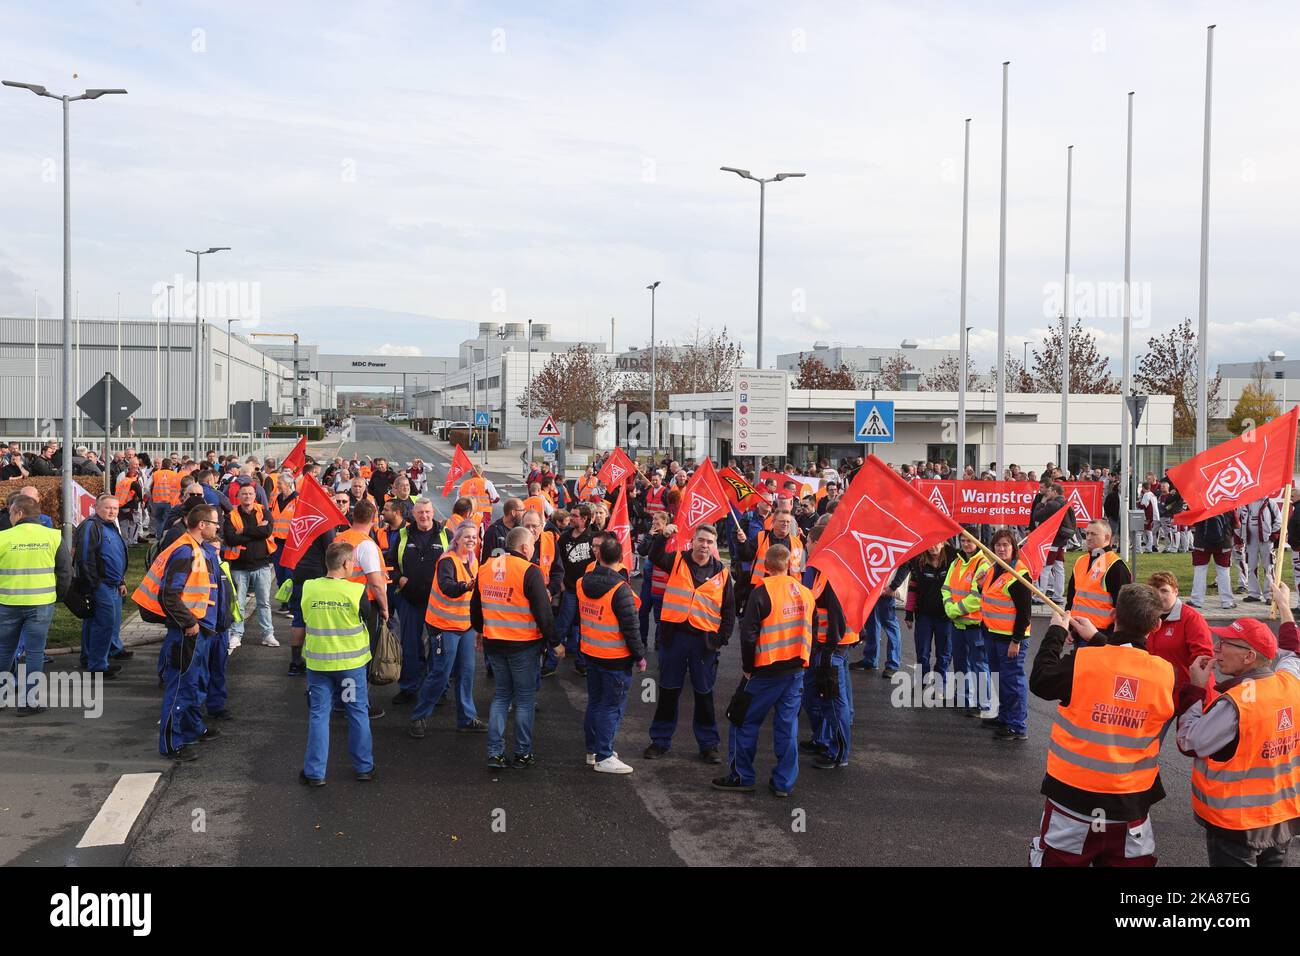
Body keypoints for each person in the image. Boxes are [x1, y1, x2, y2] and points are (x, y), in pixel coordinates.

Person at [1028, 585, 1175, 866]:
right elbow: (1125, 662)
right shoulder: (1163, 673)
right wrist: (1098, 638)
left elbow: (1041, 680)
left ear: (1112, 613)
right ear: (1156, 625)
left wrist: (1056, 632)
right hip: (1130, 805)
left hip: (1073, 801)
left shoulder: (1083, 662)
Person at [1178, 582, 1300, 867]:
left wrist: (1196, 689)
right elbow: (1293, 649)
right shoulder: (1290, 682)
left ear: (1249, 657)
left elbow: (1189, 741)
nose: (1216, 648)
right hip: (1282, 816)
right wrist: (1283, 605)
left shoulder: (1236, 703)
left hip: (1236, 823)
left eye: (1225, 644)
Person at [714, 545, 813, 797]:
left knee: (743, 720)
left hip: (765, 671)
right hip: (795, 670)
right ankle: (783, 783)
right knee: (787, 727)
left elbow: (748, 636)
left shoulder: (761, 593)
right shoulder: (805, 593)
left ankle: (742, 775)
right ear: (789, 564)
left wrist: (748, 669)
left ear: (766, 567)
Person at [133, 505, 227, 761]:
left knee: (192, 684)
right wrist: (188, 622)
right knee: (180, 688)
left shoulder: (195, 549)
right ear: (201, 525)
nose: (218, 527)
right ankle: (171, 743)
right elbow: (169, 595)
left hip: (199, 630)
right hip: (189, 631)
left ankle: (193, 728)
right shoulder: (186, 552)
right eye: (214, 523)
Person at [471, 526, 561, 770]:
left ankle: (495, 754)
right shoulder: (530, 572)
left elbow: (475, 610)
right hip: (523, 645)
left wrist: (482, 630)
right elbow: (544, 613)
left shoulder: (486, 568)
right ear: (524, 547)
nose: (533, 550)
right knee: (524, 700)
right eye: (532, 545)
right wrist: (555, 642)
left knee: (501, 696)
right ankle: (522, 752)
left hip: (495, 643)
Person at [644, 523, 734, 764]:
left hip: (704, 644)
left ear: (714, 545)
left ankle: (708, 745)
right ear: (692, 541)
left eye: (709, 542)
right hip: (675, 638)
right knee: (668, 691)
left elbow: (728, 611)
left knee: (704, 695)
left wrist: (720, 640)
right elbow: (654, 555)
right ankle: (660, 740)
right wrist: (663, 536)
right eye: (701, 540)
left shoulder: (722, 573)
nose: (704, 545)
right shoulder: (677, 561)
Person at [300, 540, 376, 786]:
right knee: (356, 713)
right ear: (345, 563)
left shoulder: (310, 588)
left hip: (319, 665)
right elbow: (370, 622)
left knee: (319, 715)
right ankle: (364, 767)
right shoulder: (356, 590)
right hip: (350, 667)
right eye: (352, 561)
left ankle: (315, 773)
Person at [577, 536, 647, 773]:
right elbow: (631, 627)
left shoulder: (582, 582)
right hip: (615, 657)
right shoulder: (621, 588)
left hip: (591, 652)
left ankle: (593, 750)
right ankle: (604, 755)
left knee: (596, 703)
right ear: (620, 559)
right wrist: (640, 656)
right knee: (611, 706)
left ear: (598, 556)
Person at [411, 520, 484, 736]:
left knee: (467, 672)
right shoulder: (447, 560)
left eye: (474, 537)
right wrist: (465, 586)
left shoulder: (473, 559)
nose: (471, 540)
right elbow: (447, 587)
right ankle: (419, 716)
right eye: (467, 537)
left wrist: (479, 626)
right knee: (441, 673)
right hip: (444, 625)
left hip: (465, 625)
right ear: (457, 539)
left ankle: (466, 718)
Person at [0, 495, 70, 715]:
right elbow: (66, 572)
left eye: (11, 513)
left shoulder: (3, 537)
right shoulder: (53, 536)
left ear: (19, 513)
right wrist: (59, 595)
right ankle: (29, 703)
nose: (10, 517)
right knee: (34, 652)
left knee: (4, 650)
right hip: (41, 603)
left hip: (8, 601)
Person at [800, 525, 855, 769]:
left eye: (808, 541)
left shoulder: (831, 570)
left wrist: (829, 644)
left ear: (815, 542)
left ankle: (839, 752)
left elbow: (836, 612)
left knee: (833, 700)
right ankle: (824, 741)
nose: (806, 545)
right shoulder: (826, 568)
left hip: (830, 646)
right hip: (825, 645)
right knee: (818, 696)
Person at [286, 491, 352, 677]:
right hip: (318, 576)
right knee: (321, 619)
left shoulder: (300, 519)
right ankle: (320, 658)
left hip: (299, 573)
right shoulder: (325, 523)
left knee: (299, 619)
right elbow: (331, 550)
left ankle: (295, 662)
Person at [337, 499, 390, 718]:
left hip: (340, 603)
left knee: (343, 654)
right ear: (374, 518)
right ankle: (359, 703)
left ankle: (342, 699)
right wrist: (385, 609)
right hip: (362, 605)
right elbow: (376, 583)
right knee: (361, 656)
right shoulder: (366, 544)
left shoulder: (339, 538)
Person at [981, 529, 1033, 739]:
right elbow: (991, 600)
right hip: (992, 635)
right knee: (999, 679)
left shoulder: (1019, 574)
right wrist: (978, 585)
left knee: (1013, 682)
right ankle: (1004, 717)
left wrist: (1016, 640)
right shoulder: (994, 569)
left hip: (1010, 640)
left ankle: (1017, 726)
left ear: (1014, 548)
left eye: (1006, 545)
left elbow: (1025, 613)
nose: (1001, 549)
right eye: (998, 545)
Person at [391, 499, 445, 706]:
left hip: (437, 603)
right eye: (420, 512)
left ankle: (437, 688)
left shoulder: (445, 535)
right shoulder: (403, 535)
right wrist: (399, 578)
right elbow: (390, 563)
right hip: (409, 601)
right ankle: (408, 687)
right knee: (411, 646)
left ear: (433, 512)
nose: (424, 516)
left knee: (438, 647)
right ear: (413, 514)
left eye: (428, 512)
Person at [1145, 570, 1214, 716]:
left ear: (1176, 591)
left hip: (1188, 692)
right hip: (1159, 693)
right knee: (1150, 737)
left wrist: (1195, 689)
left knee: (1188, 738)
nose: (1158, 595)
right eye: (1154, 590)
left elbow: (1204, 657)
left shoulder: (1191, 618)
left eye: (1164, 590)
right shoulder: (1146, 616)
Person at [76, 494, 129, 678]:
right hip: (100, 585)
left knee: (98, 623)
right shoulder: (92, 526)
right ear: (97, 508)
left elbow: (114, 556)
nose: (112, 511)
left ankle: (91, 658)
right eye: (108, 508)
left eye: (115, 508)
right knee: (103, 624)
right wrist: (93, 585)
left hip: (112, 584)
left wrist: (121, 581)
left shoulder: (110, 526)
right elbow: (84, 558)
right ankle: (98, 665)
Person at [222, 483, 279, 653]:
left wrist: (244, 531)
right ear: (238, 496)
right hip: (239, 566)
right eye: (244, 494)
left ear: (255, 495)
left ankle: (268, 634)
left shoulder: (263, 511)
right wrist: (255, 531)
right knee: (238, 603)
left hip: (261, 565)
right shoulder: (231, 515)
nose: (247, 496)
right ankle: (236, 634)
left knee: (264, 603)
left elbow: (267, 531)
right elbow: (231, 538)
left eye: (250, 493)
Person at [942, 528, 990, 714]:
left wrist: (953, 610)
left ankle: (982, 703)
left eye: (969, 541)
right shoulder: (956, 562)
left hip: (975, 624)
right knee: (961, 663)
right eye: (963, 540)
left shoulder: (983, 565)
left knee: (979, 664)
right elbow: (945, 588)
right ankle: (963, 698)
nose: (966, 544)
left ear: (977, 541)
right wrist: (949, 608)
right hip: (957, 624)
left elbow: (976, 597)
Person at [546, 502, 595, 677]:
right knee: (561, 626)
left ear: (584, 519)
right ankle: (550, 663)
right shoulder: (564, 537)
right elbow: (557, 563)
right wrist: (560, 583)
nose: (571, 518)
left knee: (585, 629)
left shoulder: (592, 538)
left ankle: (581, 663)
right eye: (571, 515)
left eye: (574, 516)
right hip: (570, 591)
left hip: (589, 593)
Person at [1066, 519, 1132, 636]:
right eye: (1087, 534)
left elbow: (1124, 607)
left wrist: (1111, 635)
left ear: (1107, 538)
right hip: (1078, 630)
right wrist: (1070, 626)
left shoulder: (1116, 566)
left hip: (1102, 634)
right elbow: (1072, 597)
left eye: (1093, 534)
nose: (1089, 538)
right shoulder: (1081, 561)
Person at [905, 542, 954, 690]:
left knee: (944, 653)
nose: (932, 546)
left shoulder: (953, 560)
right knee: (922, 652)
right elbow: (912, 588)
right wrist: (909, 613)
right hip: (924, 615)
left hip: (946, 617)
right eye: (930, 543)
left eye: (937, 543)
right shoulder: (918, 562)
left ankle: (940, 685)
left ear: (944, 543)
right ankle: (921, 681)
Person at [1188, 512, 1237, 610]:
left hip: (1202, 543)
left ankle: (1196, 600)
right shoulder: (1228, 505)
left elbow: (1191, 524)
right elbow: (1237, 525)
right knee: (1224, 572)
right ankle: (1227, 601)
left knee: (1200, 571)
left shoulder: (1201, 504)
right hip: (1224, 543)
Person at [1239, 496, 1280, 603]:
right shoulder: (1244, 503)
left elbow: (1278, 521)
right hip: (1250, 541)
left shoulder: (1270, 503)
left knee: (1269, 567)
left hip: (1266, 541)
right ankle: (1254, 594)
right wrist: (1239, 538)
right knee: (1251, 567)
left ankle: (1270, 595)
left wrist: (1273, 536)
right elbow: (1239, 522)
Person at [269, 471, 298, 604]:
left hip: (291, 544)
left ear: (288, 484)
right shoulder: (277, 498)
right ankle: (284, 602)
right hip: (277, 543)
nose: (278, 485)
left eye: (280, 483)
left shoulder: (298, 500)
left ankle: (292, 603)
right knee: (280, 574)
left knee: (289, 574)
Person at [114, 461, 145, 545]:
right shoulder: (133, 483)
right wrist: (142, 500)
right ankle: (132, 541)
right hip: (131, 506)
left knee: (123, 525)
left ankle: (124, 542)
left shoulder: (122, 481)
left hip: (121, 506)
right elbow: (138, 489)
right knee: (134, 524)